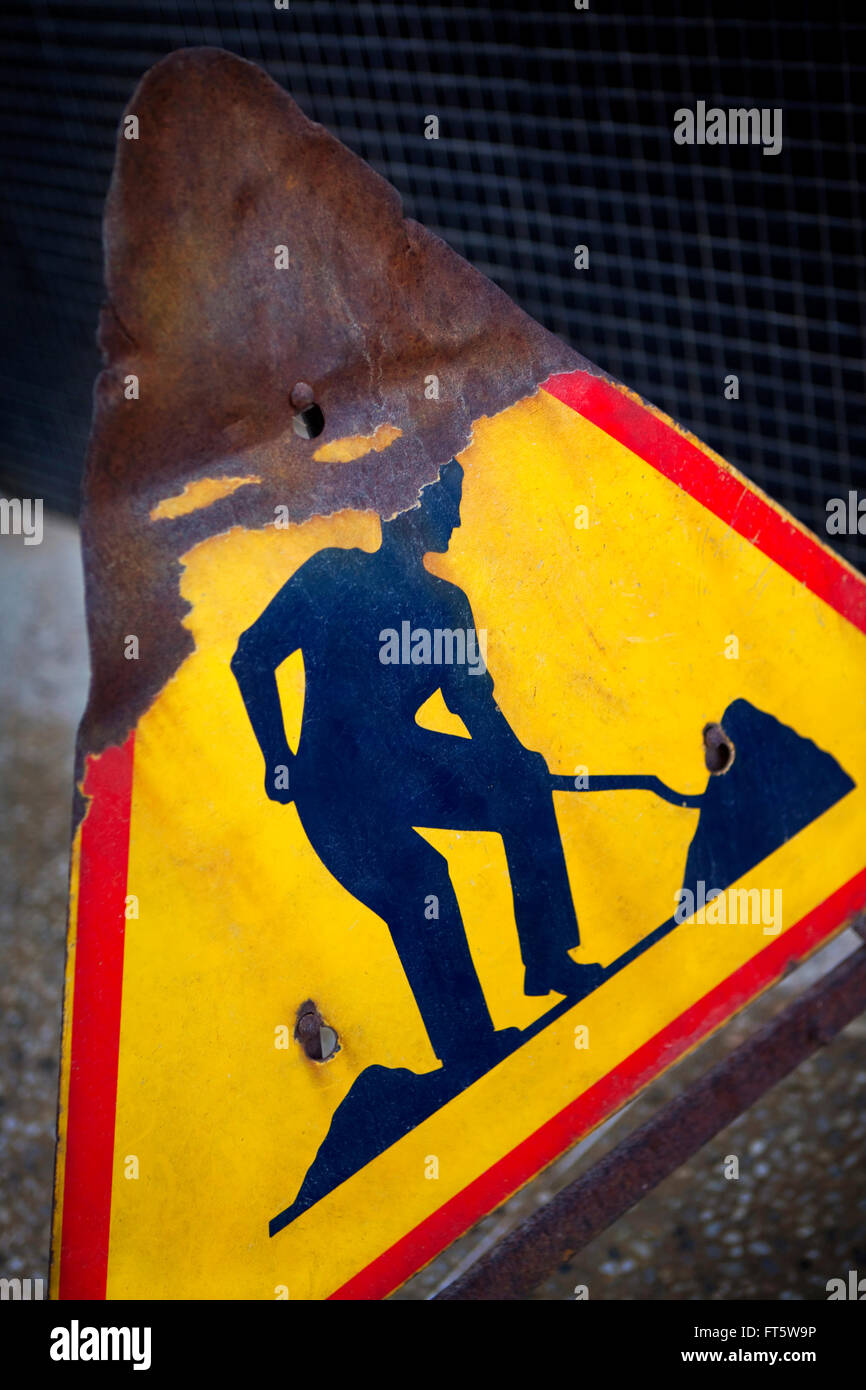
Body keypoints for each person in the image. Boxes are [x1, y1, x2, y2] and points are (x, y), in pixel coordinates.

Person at [231, 458, 602, 1070]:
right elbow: (252, 657)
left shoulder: (447, 605)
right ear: (405, 505)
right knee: (420, 880)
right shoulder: (331, 577)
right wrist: (278, 759)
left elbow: (475, 707)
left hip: (404, 765)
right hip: (333, 785)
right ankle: (468, 1048)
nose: (456, 516)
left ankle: (550, 958)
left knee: (523, 780)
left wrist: (519, 770)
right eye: (447, 500)